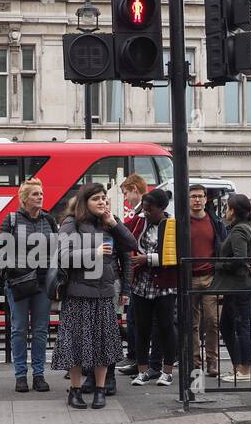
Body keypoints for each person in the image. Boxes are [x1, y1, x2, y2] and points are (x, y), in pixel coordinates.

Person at [52, 182, 137, 409]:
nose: (101, 202)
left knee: (103, 345)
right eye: (96, 198)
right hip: (78, 294)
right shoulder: (71, 223)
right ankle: (75, 391)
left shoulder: (110, 223)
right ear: (84, 202)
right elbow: (63, 256)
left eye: (103, 198)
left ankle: (100, 390)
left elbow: (131, 245)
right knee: (77, 345)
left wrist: (114, 224)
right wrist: (94, 253)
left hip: (104, 294)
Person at [0, 176, 56, 393]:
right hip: (19, 284)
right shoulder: (11, 219)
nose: (40, 197)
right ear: (24, 198)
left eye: (41, 193)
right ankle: (20, 375)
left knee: (41, 330)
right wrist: (12, 271)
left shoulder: (49, 220)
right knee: (19, 329)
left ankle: (39, 374)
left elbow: (57, 249)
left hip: (42, 284)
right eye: (35, 194)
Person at [128, 188, 178, 387]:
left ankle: (167, 371)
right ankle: (142, 371)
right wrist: (139, 207)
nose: (146, 212)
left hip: (164, 285)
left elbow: (176, 255)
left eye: (150, 209)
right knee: (142, 328)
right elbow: (125, 230)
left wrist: (146, 259)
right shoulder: (141, 223)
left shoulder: (172, 225)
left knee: (166, 327)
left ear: (162, 208)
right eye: (145, 208)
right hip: (142, 285)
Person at [211, 194, 251, 383]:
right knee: (227, 325)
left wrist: (219, 265)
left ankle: (245, 371)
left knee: (242, 328)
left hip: (240, 287)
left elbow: (240, 258)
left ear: (233, 210)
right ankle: (238, 367)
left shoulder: (239, 231)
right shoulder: (242, 228)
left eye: (227, 208)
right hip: (236, 287)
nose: (225, 211)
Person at [188, 184, 227, 379]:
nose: (197, 200)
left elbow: (222, 247)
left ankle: (212, 361)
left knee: (212, 321)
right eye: (193, 196)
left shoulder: (215, 222)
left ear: (205, 199)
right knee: (192, 324)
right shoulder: (182, 222)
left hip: (212, 277)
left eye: (200, 196)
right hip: (189, 278)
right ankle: (195, 362)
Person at [116, 173, 150, 376]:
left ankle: (139, 359)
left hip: (144, 274)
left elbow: (131, 238)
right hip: (139, 274)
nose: (126, 198)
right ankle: (136, 357)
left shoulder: (143, 213)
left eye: (126, 193)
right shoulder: (138, 212)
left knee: (138, 320)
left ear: (135, 190)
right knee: (134, 318)